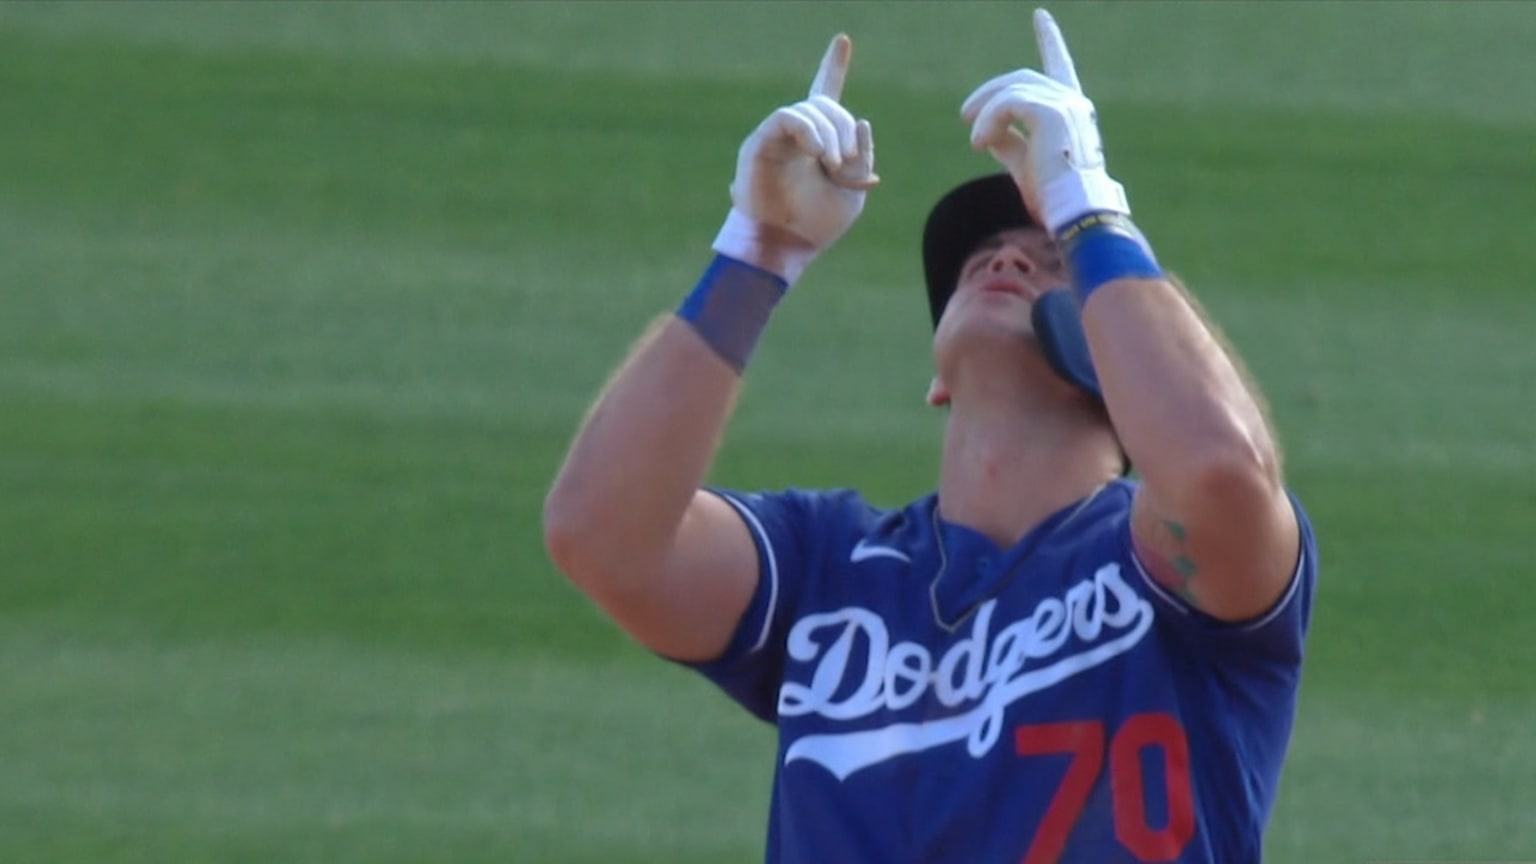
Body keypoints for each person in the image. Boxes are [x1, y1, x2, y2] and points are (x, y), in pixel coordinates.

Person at [543, 9, 1317, 864]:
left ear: (1128, 369)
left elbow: (1221, 473)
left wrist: (1090, 212)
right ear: (938, 376)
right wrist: (754, 251)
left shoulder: (1165, 571)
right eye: (979, 258)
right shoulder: (828, 572)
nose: (1004, 259)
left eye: (1049, 260)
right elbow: (600, 537)